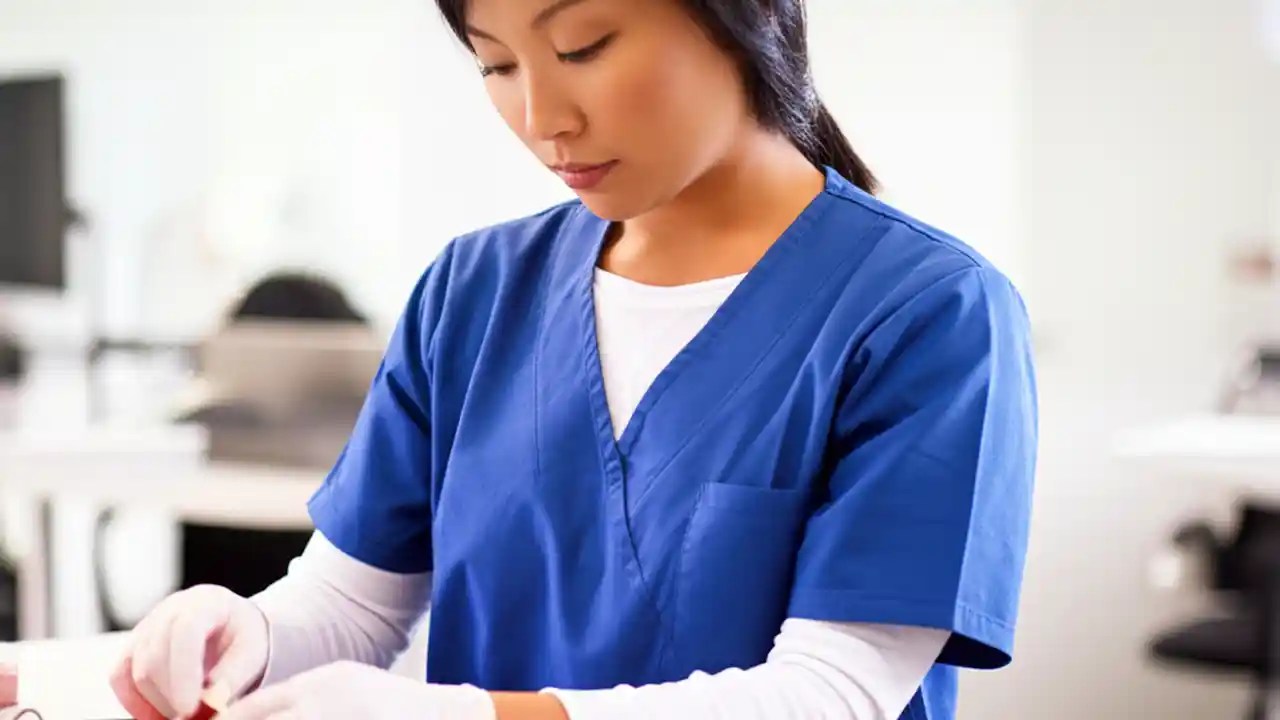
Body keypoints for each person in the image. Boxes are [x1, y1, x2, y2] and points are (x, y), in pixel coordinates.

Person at [110, 1, 1038, 718]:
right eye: (496, 64)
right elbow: (353, 602)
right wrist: (249, 632)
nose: (541, 116)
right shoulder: (474, 290)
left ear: (743, 16)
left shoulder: (927, 313)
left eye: (585, 46)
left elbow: (829, 694)